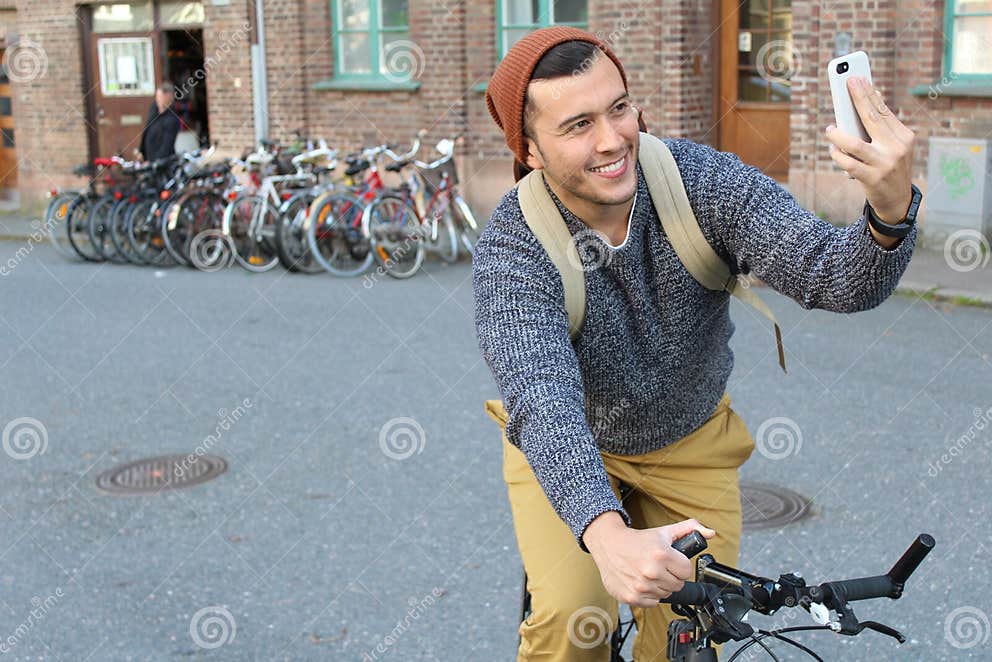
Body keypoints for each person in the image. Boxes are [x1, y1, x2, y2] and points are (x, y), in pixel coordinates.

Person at [472, 27, 918, 662]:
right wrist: (604, 534)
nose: (611, 140)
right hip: (575, 448)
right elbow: (542, 397)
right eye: (577, 125)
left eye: (618, 108)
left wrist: (891, 207)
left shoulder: (697, 182)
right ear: (532, 150)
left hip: (690, 441)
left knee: (694, 632)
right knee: (572, 622)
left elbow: (832, 274)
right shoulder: (513, 247)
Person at [138, 82, 181, 162]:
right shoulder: (154, 109)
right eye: (157, 96)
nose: (158, 99)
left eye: (160, 96)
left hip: (162, 162)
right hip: (149, 158)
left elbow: (167, 145)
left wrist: (156, 162)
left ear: (168, 96)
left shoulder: (172, 118)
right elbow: (146, 129)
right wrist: (141, 151)